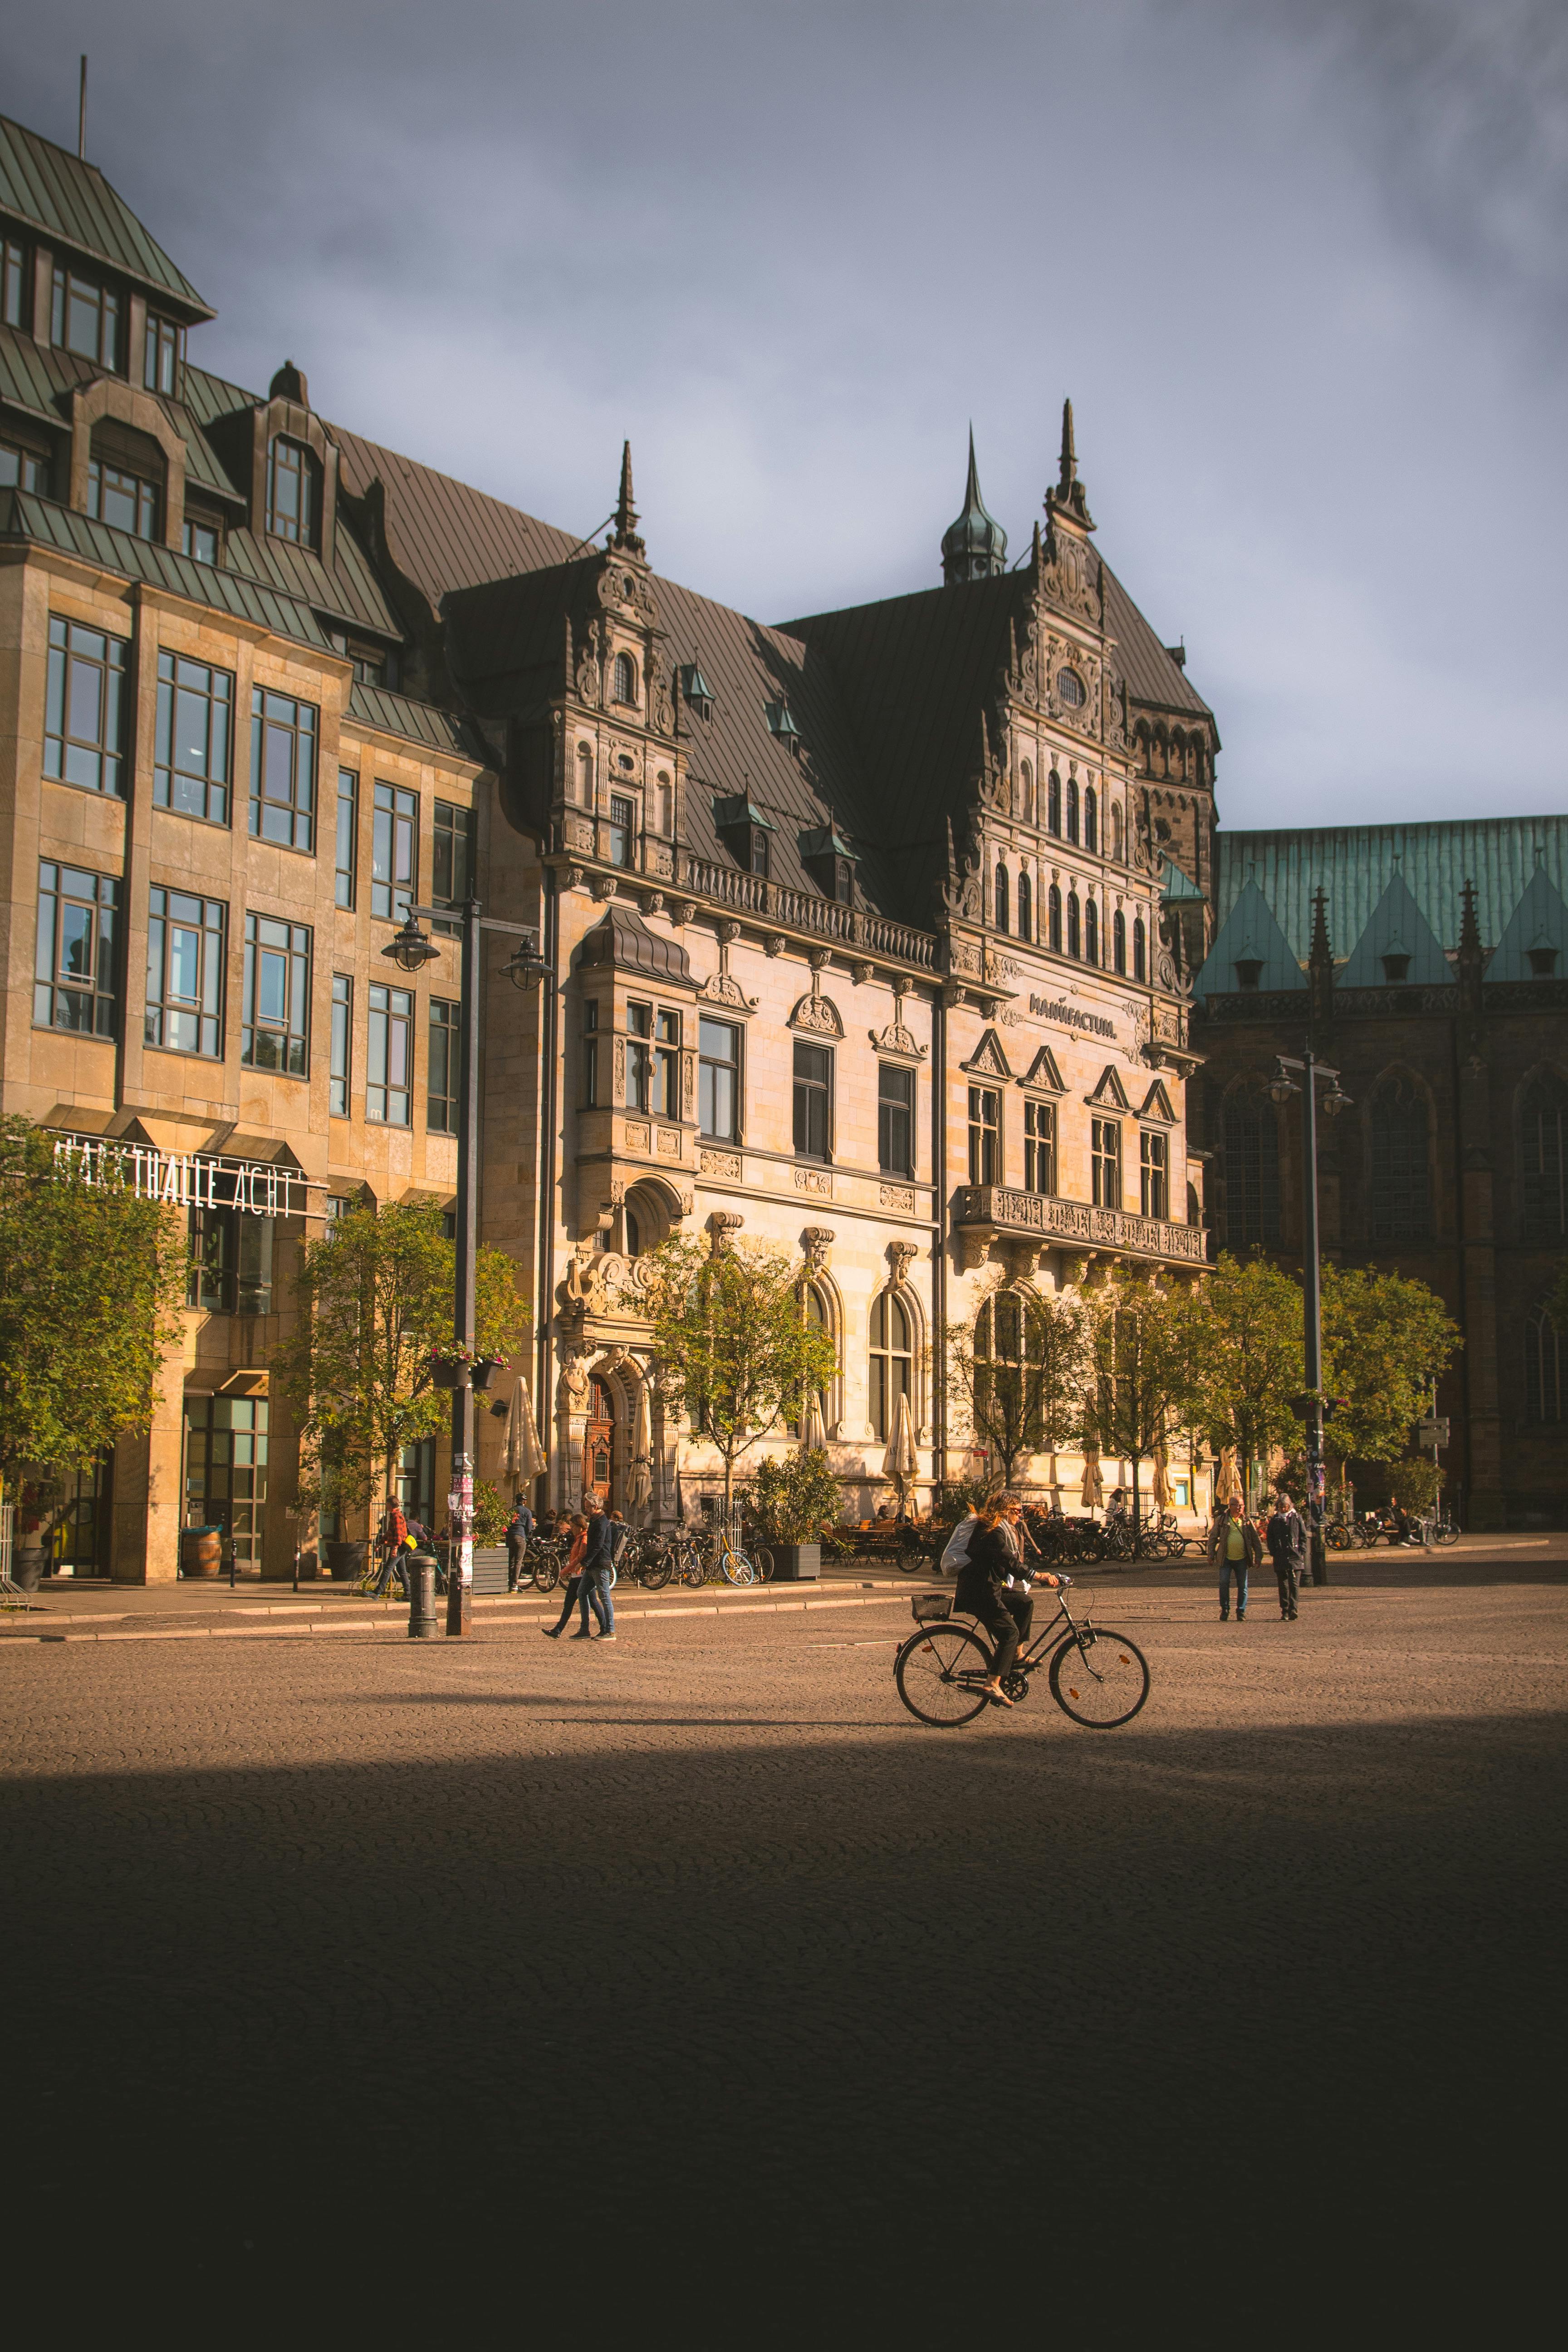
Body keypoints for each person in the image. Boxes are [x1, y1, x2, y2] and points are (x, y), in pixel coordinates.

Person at [955, 1492, 1060, 1706]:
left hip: (989, 1586)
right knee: (1009, 1633)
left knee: (1024, 1602)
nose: (1020, 1516)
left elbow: (1008, 1563)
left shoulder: (997, 1529)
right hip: (979, 1592)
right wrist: (1039, 1576)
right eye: (1018, 1511)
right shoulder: (992, 1532)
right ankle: (992, 1684)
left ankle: (1016, 1655)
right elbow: (1010, 1562)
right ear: (1005, 1510)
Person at [1209, 1497, 1261, 1622]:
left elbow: (1256, 1540)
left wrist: (1259, 1557)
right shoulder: (1222, 1520)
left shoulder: (1247, 1521)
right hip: (1225, 1558)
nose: (1240, 1508)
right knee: (1224, 1583)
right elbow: (1213, 1538)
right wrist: (1210, 1555)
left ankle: (1241, 1611)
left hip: (1242, 1559)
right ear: (1230, 1506)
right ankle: (1225, 1609)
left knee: (1243, 1586)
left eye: (1242, 1505)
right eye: (1237, 1505)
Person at [574, 1503, 617, 1641]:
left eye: (587, 1506)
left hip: (600, 1564)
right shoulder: (594, 1520)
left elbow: (598, 1545)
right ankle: (585, 1629)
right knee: (582, 1592)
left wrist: (584, 1562)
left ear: (595, 1506)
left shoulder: (601, 1522)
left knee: (605, 1597)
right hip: (593, 1564)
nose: (585, 1509)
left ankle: (610, 1630)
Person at [541, 1514, 588, 1637]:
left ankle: (606, 1627)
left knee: (593, 1603)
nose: (571, 1529)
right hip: (575, 1577)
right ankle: (558, 1630)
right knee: (568, 1604)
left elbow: (580, 1557)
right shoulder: (578, 1537)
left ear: (580, 1526)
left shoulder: (584, 1538)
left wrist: (566, 1570)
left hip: (581, 1576)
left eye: (573, 1527)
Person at [1267, 1491, 1308, 1619]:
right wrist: (1274, 1551)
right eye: (1281, 1507)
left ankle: (1293, 1609)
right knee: (1283, 1584)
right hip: (1280, 1555)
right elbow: (1270, 1537)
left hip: (1295, 1555)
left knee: (1294, 1584)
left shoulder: (1296, 1517)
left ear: (1289, 1506)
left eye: (1285, 1506)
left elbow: (1303, 1536)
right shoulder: (1275, 1520)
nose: (1283, 1509)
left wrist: (1301, 1550)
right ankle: (1285, 1610)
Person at [505, 1497, 535, 1592]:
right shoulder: (527, 1511)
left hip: (510, 1536)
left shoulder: (511, 1510)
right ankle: (514, 1584)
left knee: (511, 1561)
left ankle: (508, 1583)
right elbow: (529, 1527)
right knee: (518, 1562)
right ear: (525, 1502)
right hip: (520, 1536)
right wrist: (526, 1536)